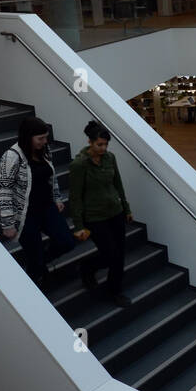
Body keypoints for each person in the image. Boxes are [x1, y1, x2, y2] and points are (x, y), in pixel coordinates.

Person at [0, 115, 76, 290]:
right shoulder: (11, 157)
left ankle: (40, 264)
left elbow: (51, 177)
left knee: (66, 242)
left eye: (45, 137)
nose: (44, 141)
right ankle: (35, 283)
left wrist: (57, 197)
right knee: (35, 258)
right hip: (25, 215)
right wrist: (8, 224)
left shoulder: (45, 150)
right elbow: (4, 191)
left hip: (47, 208)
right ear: (28, 137)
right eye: (40, 138)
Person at [68, 120, 133, 307]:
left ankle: (115, 290)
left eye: (106, 144)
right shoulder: (79, 165)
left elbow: (118, 183)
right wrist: (78, 225)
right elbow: (75, 197)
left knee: (119, 254)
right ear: (90, 142)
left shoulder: (110, 158)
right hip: (95, 217)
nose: (103, 148)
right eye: (99, 144)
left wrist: (126, 208)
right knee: (110, 254)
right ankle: (87, 267)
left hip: (115, 212)